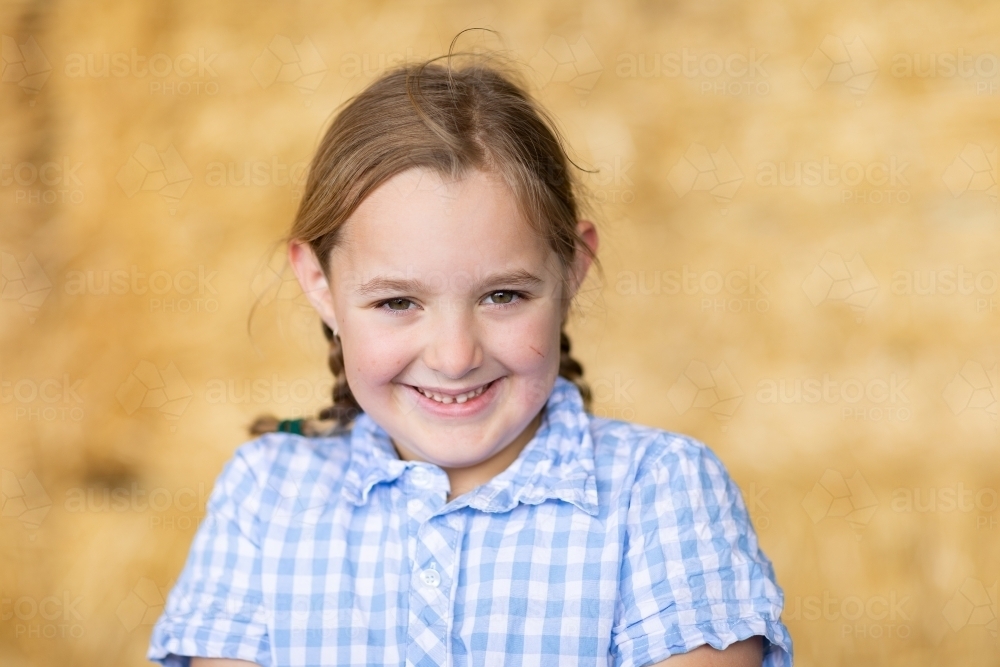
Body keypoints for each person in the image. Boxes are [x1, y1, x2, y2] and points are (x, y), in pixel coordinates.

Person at [147, 46, 793, 667]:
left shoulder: (661, 494)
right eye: (398, 302)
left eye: (502, 295)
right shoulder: (265, 497)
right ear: (319, 284)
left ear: (572, 268)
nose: (455, 357)